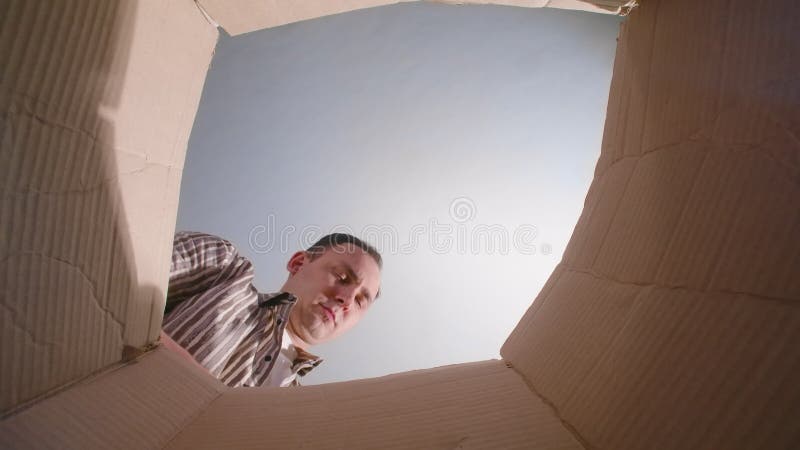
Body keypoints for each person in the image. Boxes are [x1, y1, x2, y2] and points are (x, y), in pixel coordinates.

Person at [160, 231, 382, 387]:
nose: (348, 299)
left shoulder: (303, 415)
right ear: (298, 264)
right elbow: (128, 270)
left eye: (361, 301)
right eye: (342, 277)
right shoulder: (223, 269)